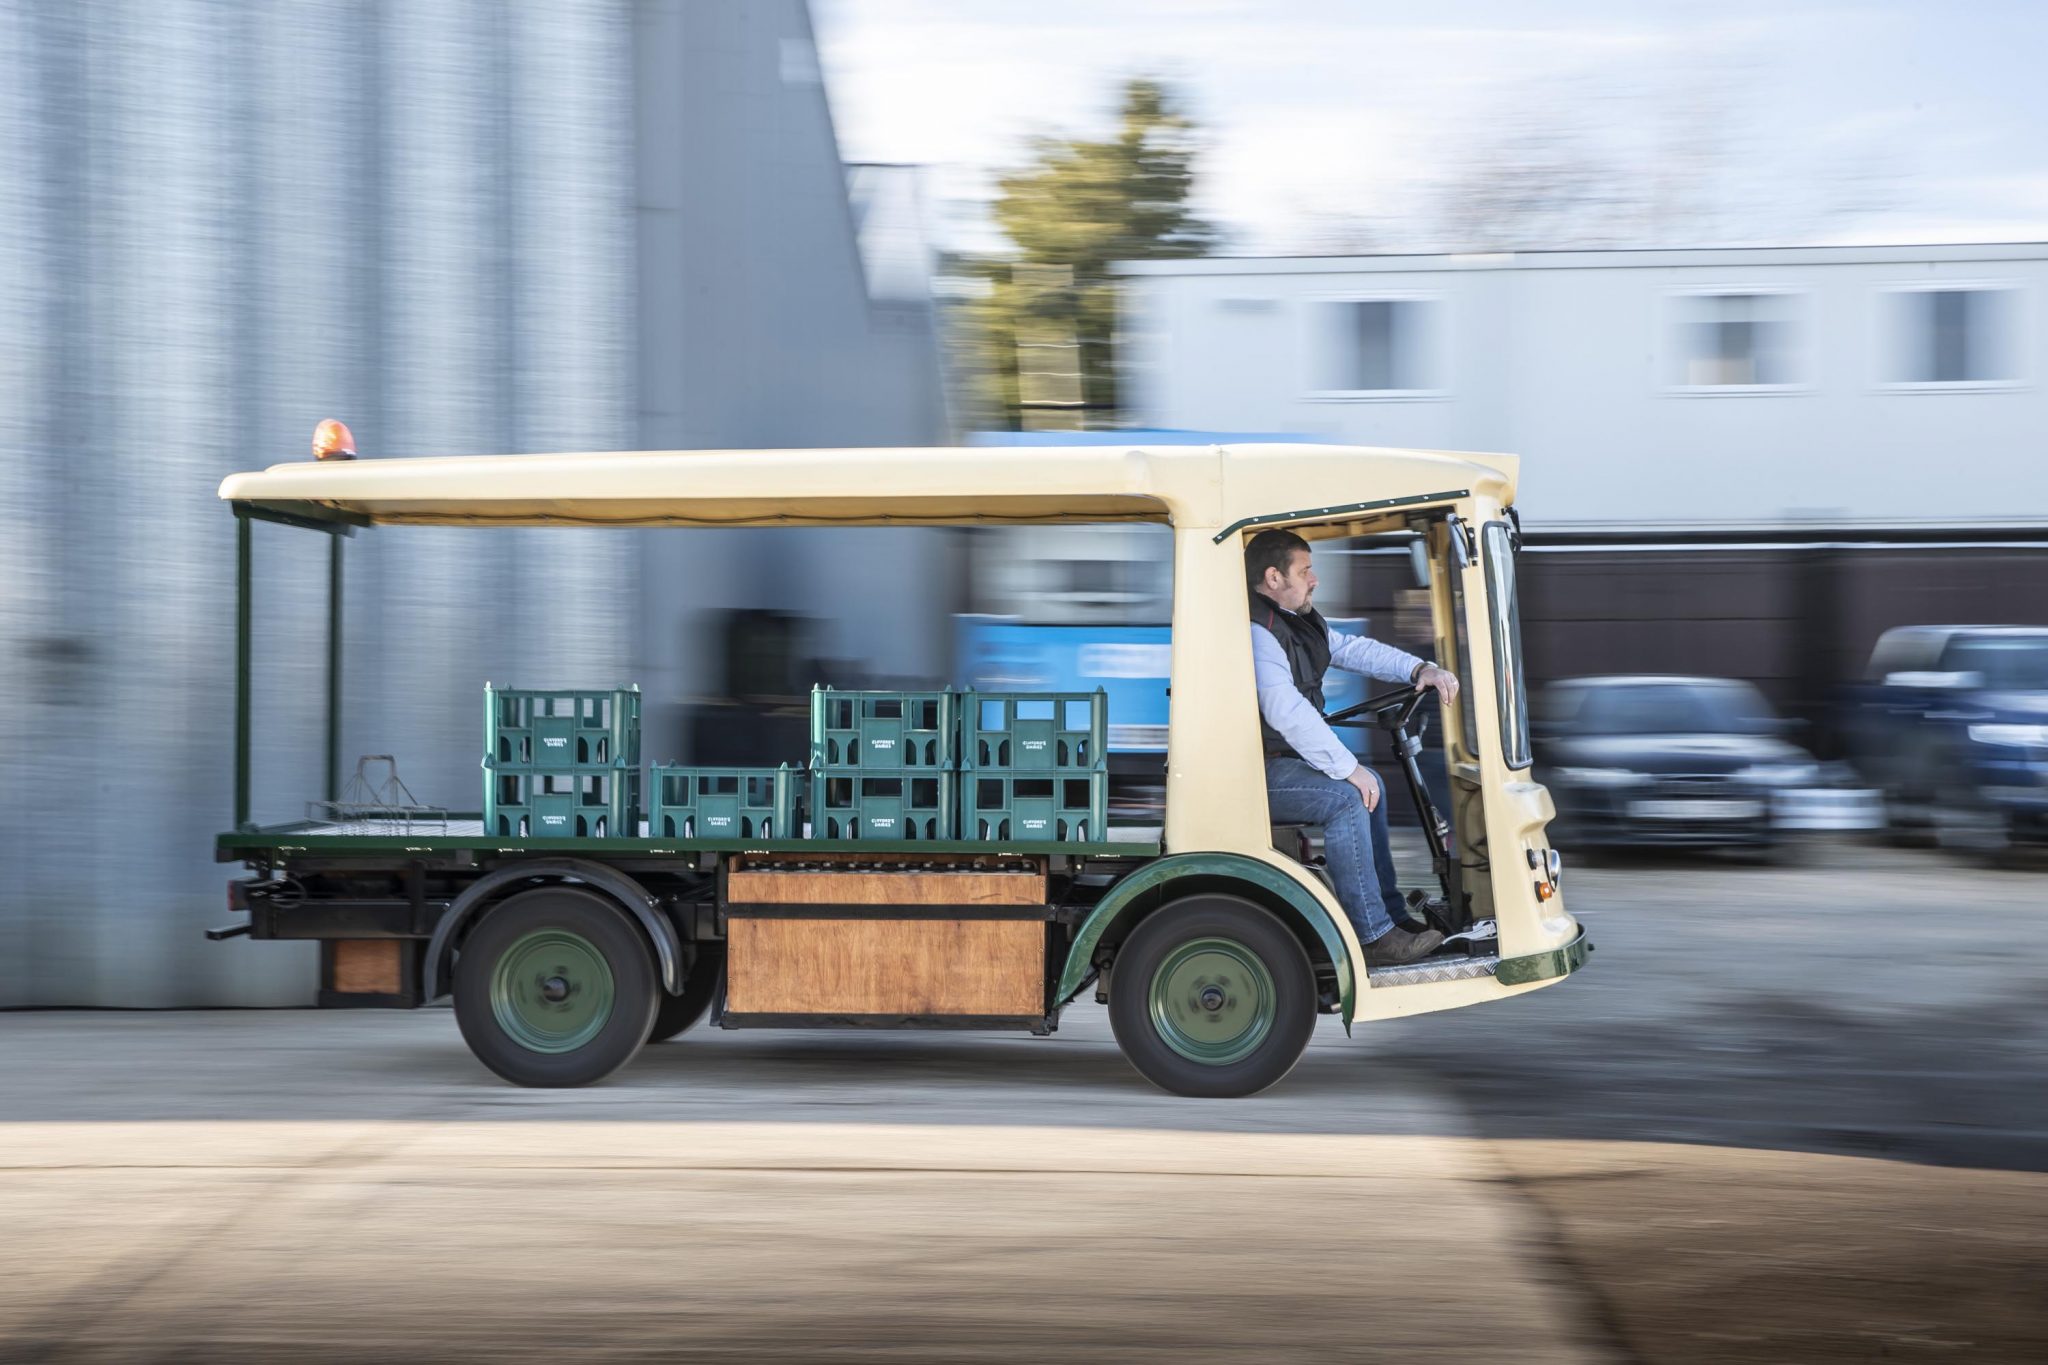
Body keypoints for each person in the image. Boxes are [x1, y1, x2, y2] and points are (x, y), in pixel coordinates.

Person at [1247, 528, 1460, 967]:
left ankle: (1393, 920)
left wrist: (1418, 667)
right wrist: (1347, 768)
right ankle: (1372, 937)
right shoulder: (1256, 632)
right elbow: (1285, 710)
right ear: (1273, 577)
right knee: (1349, 797)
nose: (1314, 579)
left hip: (1270, 765)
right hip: (1247, 773)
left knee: (1369, 786)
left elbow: (1353, 650)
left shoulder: (1295, 622)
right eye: (1305, 570)